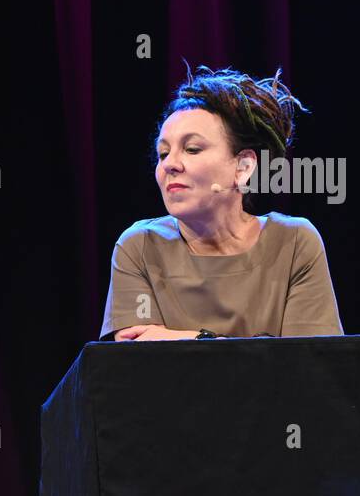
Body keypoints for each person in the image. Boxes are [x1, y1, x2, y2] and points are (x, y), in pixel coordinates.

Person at [100, 65, 343, 341]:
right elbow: (133, 367)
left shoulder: (294, 242)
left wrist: (196, 340)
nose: (170, 165)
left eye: (192, 149)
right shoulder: (139, 247)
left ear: (243, 166)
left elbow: (309, 367)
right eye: (163, 153)